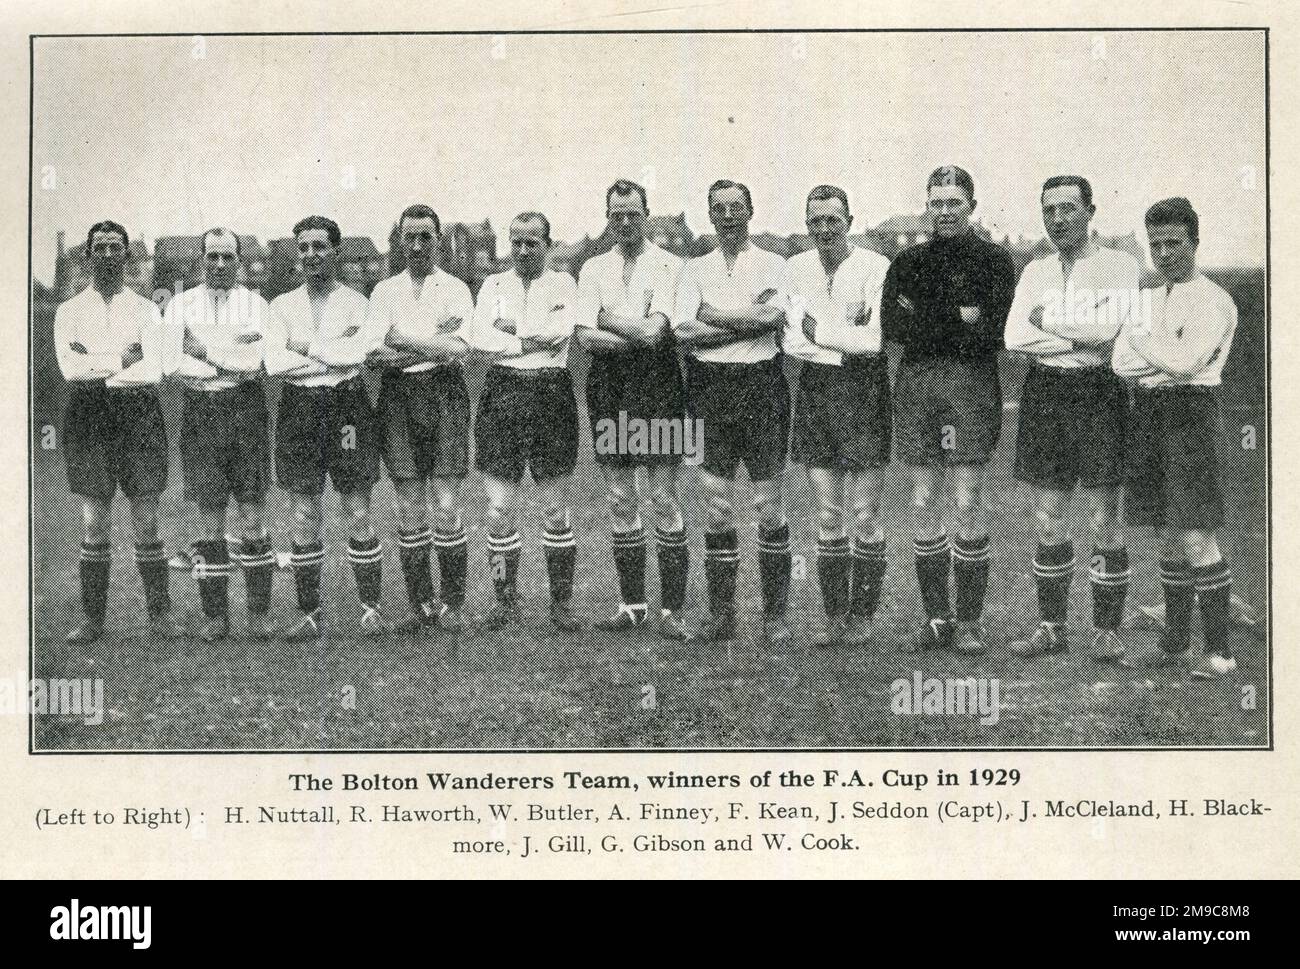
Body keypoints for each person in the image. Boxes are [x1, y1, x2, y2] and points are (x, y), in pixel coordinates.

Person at [1004, 176, 1140, 662]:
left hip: (1098, 392)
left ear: (1090, 211)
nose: (1058, 219)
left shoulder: (1120, 264)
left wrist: (1049, 322)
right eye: (1050, 210)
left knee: (1105, 515)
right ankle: (1051, 628)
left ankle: (1106, 630)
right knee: (1049, 514)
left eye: (1068, 209)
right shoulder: (1035, 270)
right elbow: (1015, 338)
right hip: (1045, 392)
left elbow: (1110, 333)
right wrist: (1075, 334)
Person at [881, 166, 1016, 655]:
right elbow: (895, 328)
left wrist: (928, 314)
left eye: (953, 203)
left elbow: (994, 332)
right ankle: (936, 617)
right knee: (922, 501)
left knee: (967, 501)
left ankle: (970, 621)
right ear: (927, 206)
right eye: (936, 203)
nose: (944, 212)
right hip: (917, 384)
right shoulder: (908, 260)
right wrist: (958, 314)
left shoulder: (995, 261)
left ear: (971, 207)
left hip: (971, 384)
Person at [1112, 197, 1239, 679]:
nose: (1164, 253)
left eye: (1175, 243)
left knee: (1196, 534)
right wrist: (1162, 353)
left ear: (1195, 242)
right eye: (1156, 244)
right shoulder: (1148, 298)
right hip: (1148, 414)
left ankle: (1221, 653)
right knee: (1166, 535)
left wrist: (1143, 342)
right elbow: (1120, 364)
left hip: (1193, 416)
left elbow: (1187, 365)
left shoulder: (1215, 299)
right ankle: (1174, 646)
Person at [674, 179, 791, 643]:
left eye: (736, 207)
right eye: (719, 208)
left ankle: (776, 616)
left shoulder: (774, 264)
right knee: (717, 506)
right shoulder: (693, 269)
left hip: (762, 386)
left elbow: (774, 319)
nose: (728, 215)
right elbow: (683, 332)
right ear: (710, 215)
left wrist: (714, 315)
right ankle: (722, 616)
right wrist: (746, 319)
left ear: (751, 210)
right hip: (708, 389)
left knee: (767, 505)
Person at [575, 179, 690, 641]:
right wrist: (619, 327)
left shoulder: (670, 265)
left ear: (646, 214)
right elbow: (584, 338)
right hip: (608, 389)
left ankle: (673, 611)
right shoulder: (592, 268)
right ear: (608, 216)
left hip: (659, 387)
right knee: (621, 498)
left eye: (633, 214)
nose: (624, 222)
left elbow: (655, 334)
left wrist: (606, 319)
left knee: (664, 497)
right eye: (616, 214)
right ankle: (632, 605)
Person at [55, 220, 177, 643]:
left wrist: (99, 361)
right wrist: (124, 358)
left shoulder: (146, 309)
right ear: (88, 255)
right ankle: (92, 620)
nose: (108, 255)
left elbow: (155, 369)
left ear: (127, 255)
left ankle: (159, 617)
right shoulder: (68, 311)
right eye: (100, 248)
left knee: (147, 518)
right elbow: (72, 370)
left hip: (138, 414)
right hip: (88, 417)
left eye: (115, 248)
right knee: (94, 522)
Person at [265, 216, 386, 641]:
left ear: (335, 251)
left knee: (358, 508)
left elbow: (358, 355)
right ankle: (309, 613)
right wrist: (332, 352)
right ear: (298, 254)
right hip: (299, 408)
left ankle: (370, 609)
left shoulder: (357, 302)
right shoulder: (280, 307)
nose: (312, 255)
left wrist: (308, 348)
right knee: (304, 512)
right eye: (304, 248)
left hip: (347, 408)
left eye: (320, 246)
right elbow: (276, 363)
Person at [782, 185, 892, 648]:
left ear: (850, 220)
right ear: (807, 224)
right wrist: (838, 337)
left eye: (833, 220)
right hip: (815, 393)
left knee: (865, 514)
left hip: (865, 392)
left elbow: (874, 342)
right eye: (816, 221)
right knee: (828, 513)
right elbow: (792, 342)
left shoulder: (875, 267)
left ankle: (863, 615)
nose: (824, 229)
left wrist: (819, 331)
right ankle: (834, 617)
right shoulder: (796, 268)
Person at [365, 205, 473, 635]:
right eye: (408, 237)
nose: (416, 246)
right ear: (398, 241)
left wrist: (404, 341)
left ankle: (453, 605)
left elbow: (458, 350)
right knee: (409, 504)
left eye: (425, 237)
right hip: (397, 399)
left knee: (446, 503)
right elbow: (374, 355)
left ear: (439, 239)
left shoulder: (456, 289)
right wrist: (433, 341)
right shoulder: (383, 292)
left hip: (446, 394)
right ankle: (421, 605)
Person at [470, 212, 581, 632]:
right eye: (515, 242)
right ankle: (505, 600)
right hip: (502, 392)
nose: (522, 250)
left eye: (531, 242)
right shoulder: (494, 285)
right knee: (499, 510)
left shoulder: (565, 284)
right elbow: (483, 340)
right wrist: (527, 337)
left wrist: (510, 333)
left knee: (554, 509)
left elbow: (559, 335)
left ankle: (561, 603)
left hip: (551, 393)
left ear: (548, 244)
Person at [163, 228, 275, 642]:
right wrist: (227, 354)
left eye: (228, 256)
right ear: (201, 259)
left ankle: (259, 615)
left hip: (245, 407)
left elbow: (254, 363)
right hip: (199, 412)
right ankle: (215, 616)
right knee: (209, 515)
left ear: (239, 260)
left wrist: (205, 350)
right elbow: (172, 364)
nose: (220, 264)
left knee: (252, 511)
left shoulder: (256, 305)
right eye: (213, 256)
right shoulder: (179, 305)